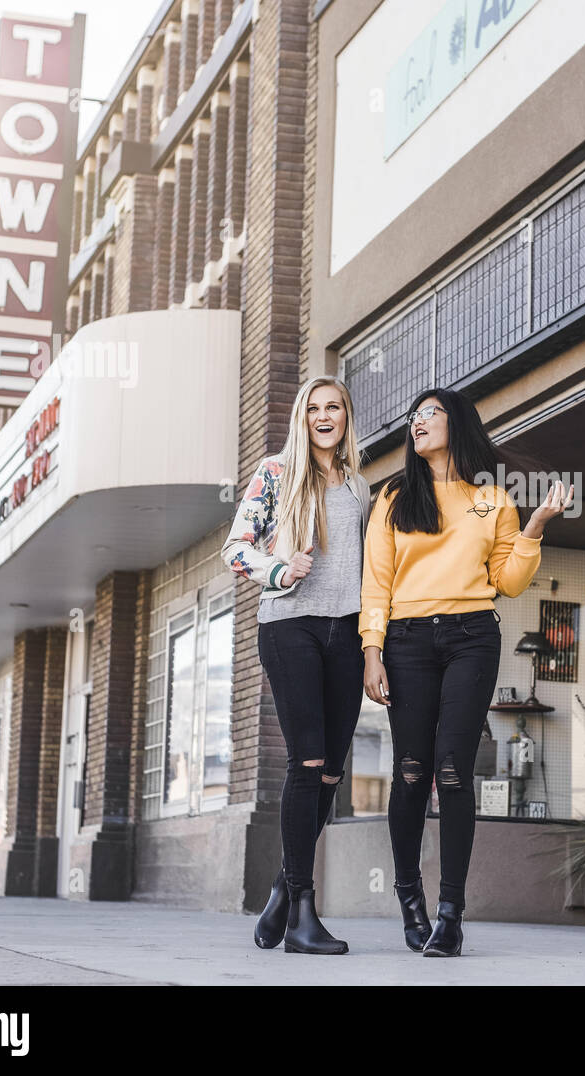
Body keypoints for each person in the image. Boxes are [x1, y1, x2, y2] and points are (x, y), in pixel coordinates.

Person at [361, 388, 573, 956]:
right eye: (413, 416)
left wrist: (537, 525)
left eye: (429, 413)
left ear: (457, 422)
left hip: (471, 637)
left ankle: (450, 916)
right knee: (410, 769)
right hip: (405, 641)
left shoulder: (491, 499)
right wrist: (372, 650)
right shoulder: (395, 496)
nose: (417, 422)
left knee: (453, 769)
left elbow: (507, 581)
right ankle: (411, 902)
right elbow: (377, 582)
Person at [221, 376, 369, 955]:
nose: (324, 415)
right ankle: (305, 914)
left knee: (331, 770)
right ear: (301, 417)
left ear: (345, 416)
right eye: (314, 408)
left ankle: (283, 892)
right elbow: (236, 547)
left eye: (334, 407)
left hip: (348, 634)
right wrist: (280, 570)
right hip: (291, 628)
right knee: (307, 761)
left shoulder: (358, 486)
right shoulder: (276, 473)